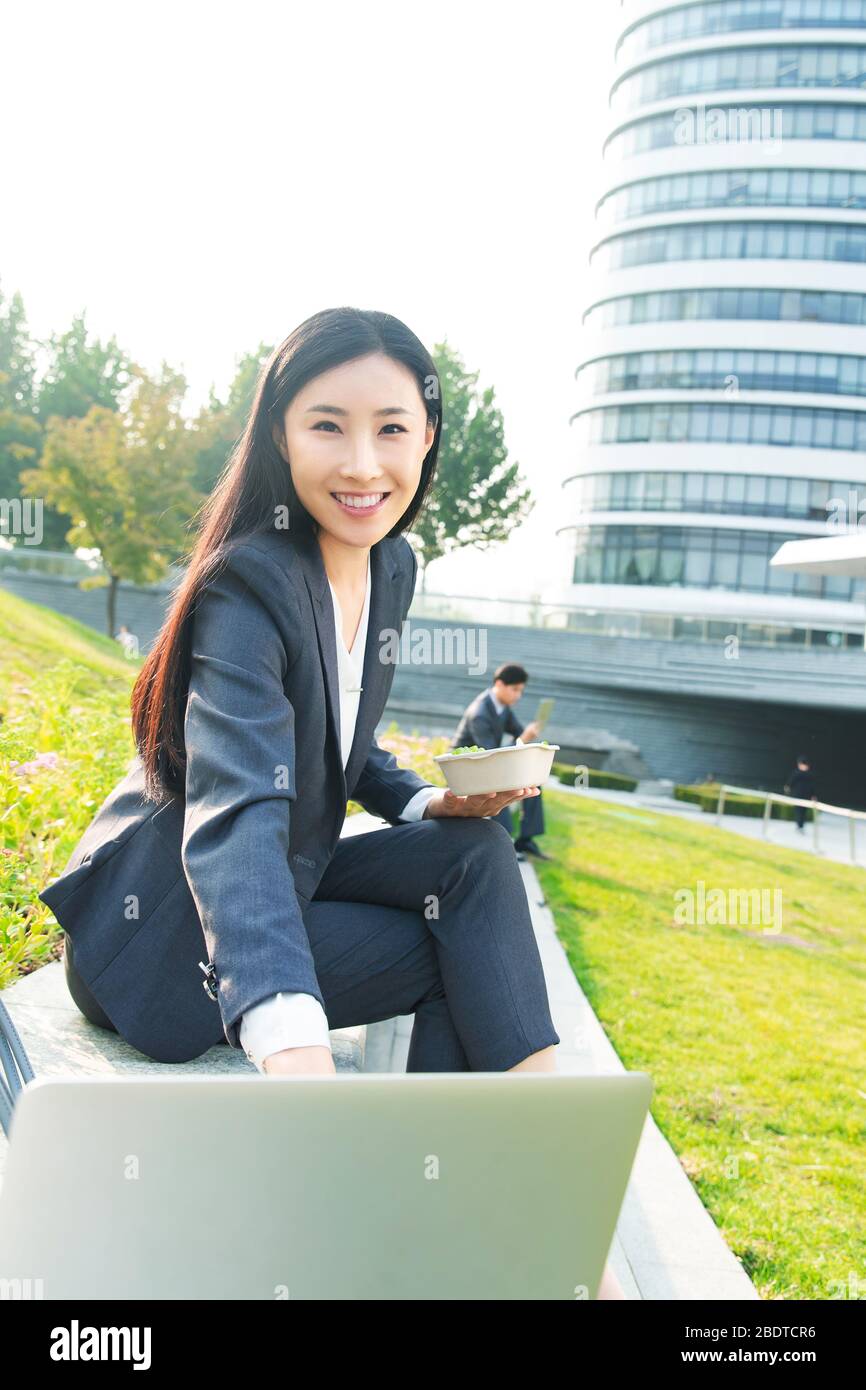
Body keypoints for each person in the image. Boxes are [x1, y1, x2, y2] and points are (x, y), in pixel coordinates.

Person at [451, 664, 551, 861]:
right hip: (465, 766)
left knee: (533, 780)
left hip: (486, 762)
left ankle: (526, 839)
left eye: (521, 690)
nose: (518, 696)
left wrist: (525, 737)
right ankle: (506, 844)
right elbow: (490, 755)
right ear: (499, 684)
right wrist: (524, 737)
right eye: (515, 689)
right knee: (502, 783)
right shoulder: (479, 713)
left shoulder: (502, 708)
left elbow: (516, 735)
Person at [785, 756, 816, 832]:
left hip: (802, 795)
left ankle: (800, 826)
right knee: (800, 811)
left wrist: (813, 795)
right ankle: (800, 826)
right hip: (800, 795)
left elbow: (790, 783)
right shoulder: (804, 773)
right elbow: (790, 783)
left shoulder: (800, 773)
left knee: (801, 811)